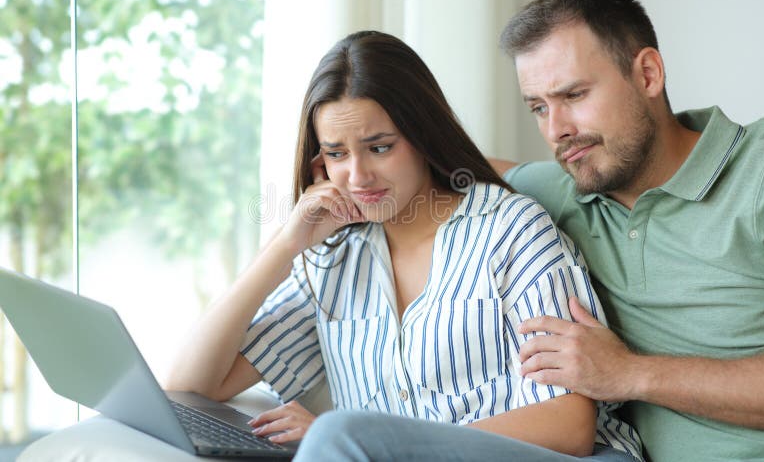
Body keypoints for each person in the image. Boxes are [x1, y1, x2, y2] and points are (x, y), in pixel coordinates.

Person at [165, 30, 642, 461]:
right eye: (336, 154)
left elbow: (571, 424)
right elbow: (190, 386)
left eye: (379, 147)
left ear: (421, 135)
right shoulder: (332, 262)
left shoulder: (509, 228)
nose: (358, 176)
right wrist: (284, 246)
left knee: (338, 436)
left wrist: (372, 443)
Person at [492, 0, 764, 461]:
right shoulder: (563, 191)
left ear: (649, 74)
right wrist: (341, 178)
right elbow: (449, 165)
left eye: (573, 94)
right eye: (538, 107)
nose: (556, 130)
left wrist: (629, 373)